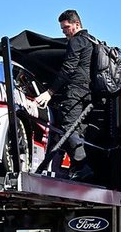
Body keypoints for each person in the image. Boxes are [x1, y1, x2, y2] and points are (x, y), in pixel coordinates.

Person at [34, 9, 95, 182]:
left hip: (75, 90)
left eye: (66, 27)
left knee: (68, 127)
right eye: (62, 29)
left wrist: (50, 92)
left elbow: (68, 68)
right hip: (88, 93)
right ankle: (79, 168)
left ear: (77, 24)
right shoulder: (92, 42)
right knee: (79, 130)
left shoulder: (76, 41)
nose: (64, 31)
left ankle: (82, 167)